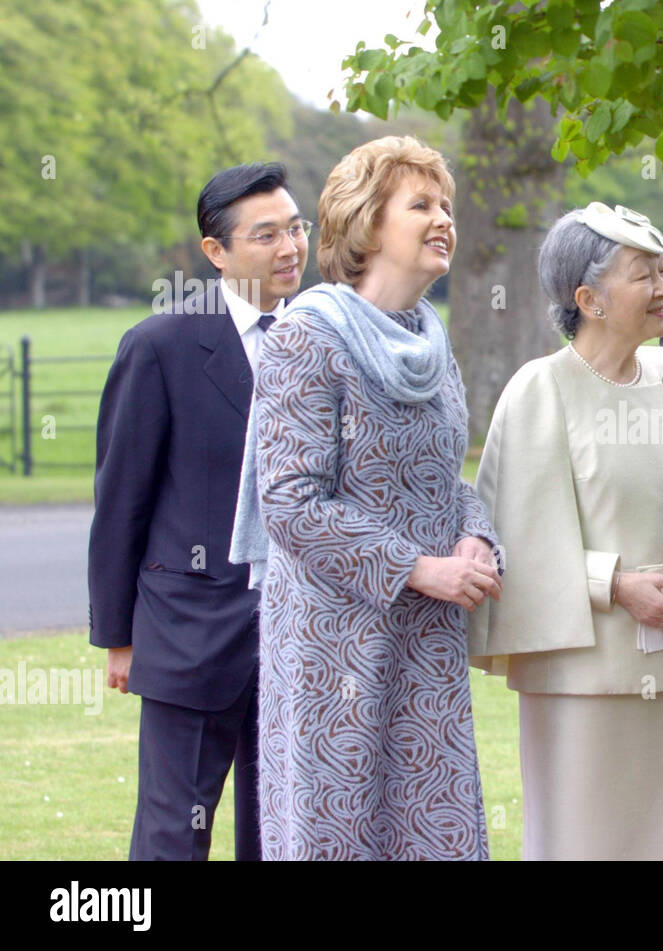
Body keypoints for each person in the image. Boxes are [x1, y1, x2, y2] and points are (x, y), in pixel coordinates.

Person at [229, 136, 501, 860]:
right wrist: (418, 565)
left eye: (446, 205)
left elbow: (445, 480)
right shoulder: (306, 339)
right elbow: (289, 501)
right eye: (421, 205)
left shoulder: (431, 344)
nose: (444, 217)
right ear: (367, 224)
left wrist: (475, 536)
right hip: (335, 651)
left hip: (426, 647)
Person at [469, 202, 663, 860]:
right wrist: (616, 585)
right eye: (643, 274)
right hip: (580, 675)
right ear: (588, 298)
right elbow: (515, 542)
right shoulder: (540, 390)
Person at [89, 162, 306, 859]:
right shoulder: (160, 348)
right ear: (216, 251)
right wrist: (119, 636)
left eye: (296, 228)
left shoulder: (320, 338)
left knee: (277, 834)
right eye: (267, 234)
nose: (290, 248)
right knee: (171, 836)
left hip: (300, 636)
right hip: (188, 637)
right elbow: (121, 502)